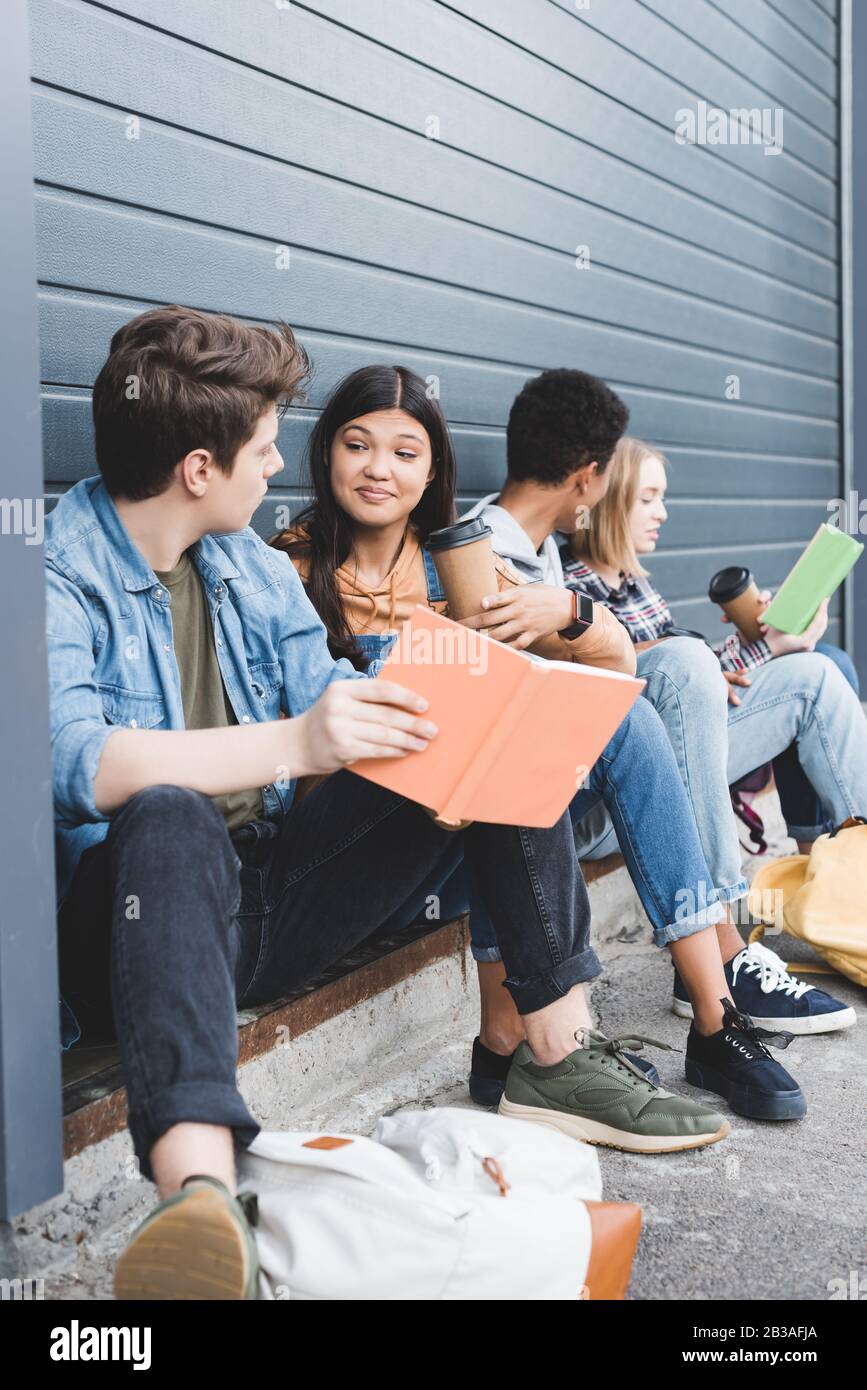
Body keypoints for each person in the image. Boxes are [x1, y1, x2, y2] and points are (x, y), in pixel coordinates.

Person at [48, 309, 729, 1301]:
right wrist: (299, 740)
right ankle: (201, 1196)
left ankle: (552, 1049)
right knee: (165, 808)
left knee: (481, 712)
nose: (282, 457)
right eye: (266, 442)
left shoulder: (235, 559)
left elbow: (323, 684)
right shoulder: (57, 570)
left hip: (274, 894)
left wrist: (439, 686)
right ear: (201, 467)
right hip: (137, 925)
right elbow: (73, 760)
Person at [271, 363, 809, 1129]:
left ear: (432, 471)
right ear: (327, 454)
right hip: (366, 841)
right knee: (502, 740)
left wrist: (572, 612)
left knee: (597, 719)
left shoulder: (458, 563)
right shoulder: (283, 570)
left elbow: (615, 684)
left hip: (478, 824)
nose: (378, 470)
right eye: (358, 446)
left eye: (404, 452)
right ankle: (519, 1041)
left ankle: (713, 1014)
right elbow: (287, 761)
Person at [561, 433, 862, 1035]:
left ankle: (846, 893)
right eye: (648, 498)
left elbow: (703, 683)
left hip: (671, 763)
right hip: (608, 800)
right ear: (608, 501)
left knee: (816, 668)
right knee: (812, 677)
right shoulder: (571, 590)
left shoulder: (633, 586)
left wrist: (772, 641)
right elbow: (647, 689)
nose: (663, 513)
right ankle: (717, 943)